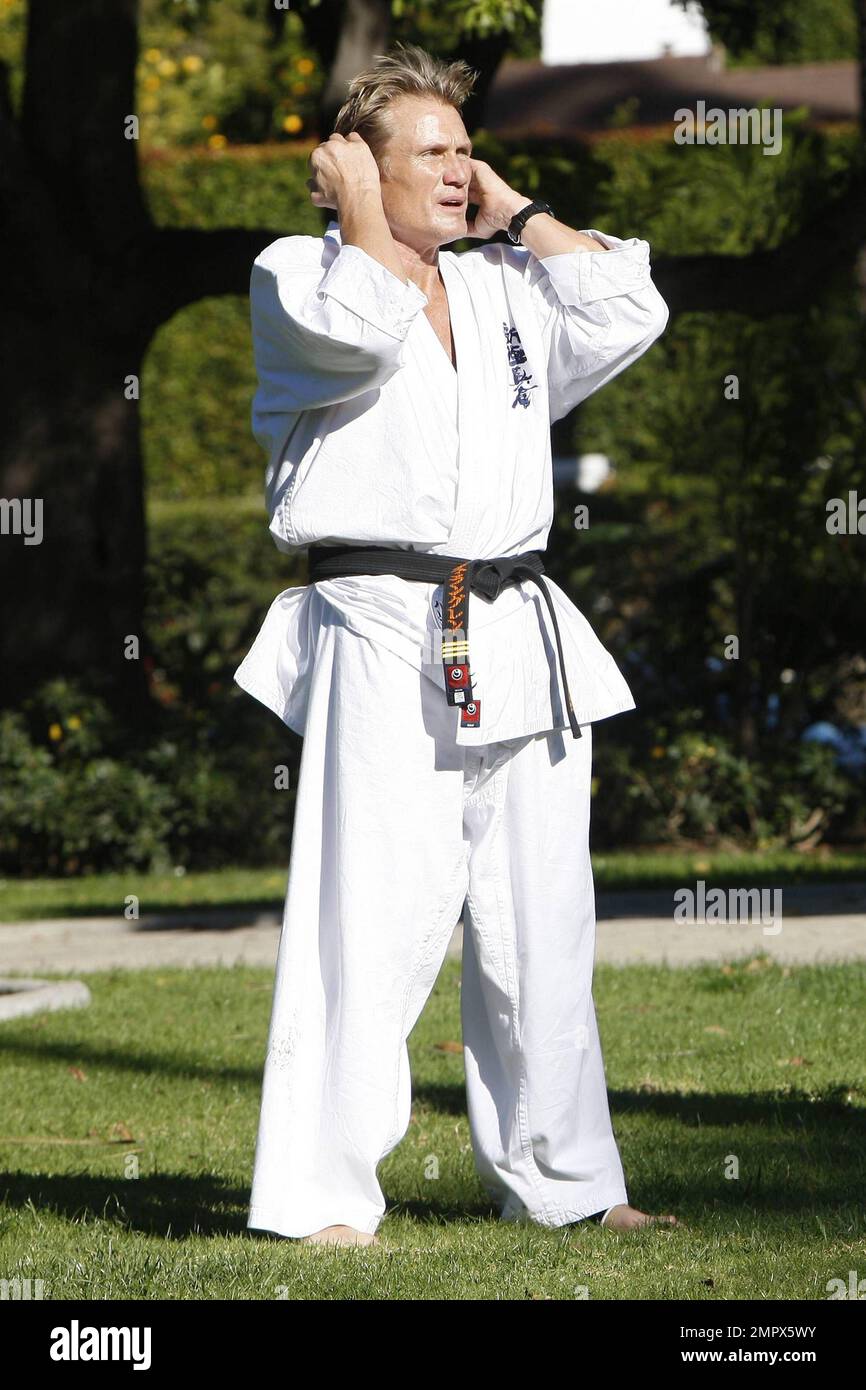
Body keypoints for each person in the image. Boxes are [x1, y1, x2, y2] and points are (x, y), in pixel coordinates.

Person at [235, 42, 677, 1247]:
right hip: (379, 626)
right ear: (353, 172)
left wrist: (516, 213)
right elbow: (362, 336)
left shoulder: (498, 288)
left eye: (463, 147)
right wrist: (365, 218)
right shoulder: (298, 275)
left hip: (521, 628)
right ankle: (323, 1199)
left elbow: (629, 303)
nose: (457, 167)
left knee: (543, 922)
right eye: (428, 152)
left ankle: (569, 1183)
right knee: (365, 921)